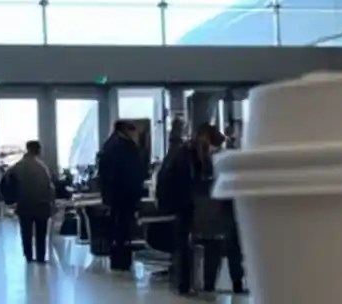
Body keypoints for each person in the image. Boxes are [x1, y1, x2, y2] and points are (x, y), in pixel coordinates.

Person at [159, 125, 242, 295]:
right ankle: (199, 284)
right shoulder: (191, 157)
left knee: (194, 245)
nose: (214, 151)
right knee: (211, 244)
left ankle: (192, 285)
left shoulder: (186, 154)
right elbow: (192, 184)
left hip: (192, 207)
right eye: (215, 147)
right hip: (197, 207)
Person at [99, 120, 148, 271]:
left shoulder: (111, 146)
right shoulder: (122, 148)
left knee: (119, 229)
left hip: (117, 196)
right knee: (123, 229)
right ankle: (122, 261)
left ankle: (119, 259)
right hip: (124, 195)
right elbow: (131, 172)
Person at [5, 140, 56, 263]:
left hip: (24, 204)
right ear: (38, 151)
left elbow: (7, 183)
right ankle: (41, 257)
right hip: (42, 204)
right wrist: (52, 204)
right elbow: (50, 188)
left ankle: (28, 256)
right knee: (41, 233)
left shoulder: (17, 166)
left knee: (26, 231)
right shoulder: (42, 168)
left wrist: (11, 200)